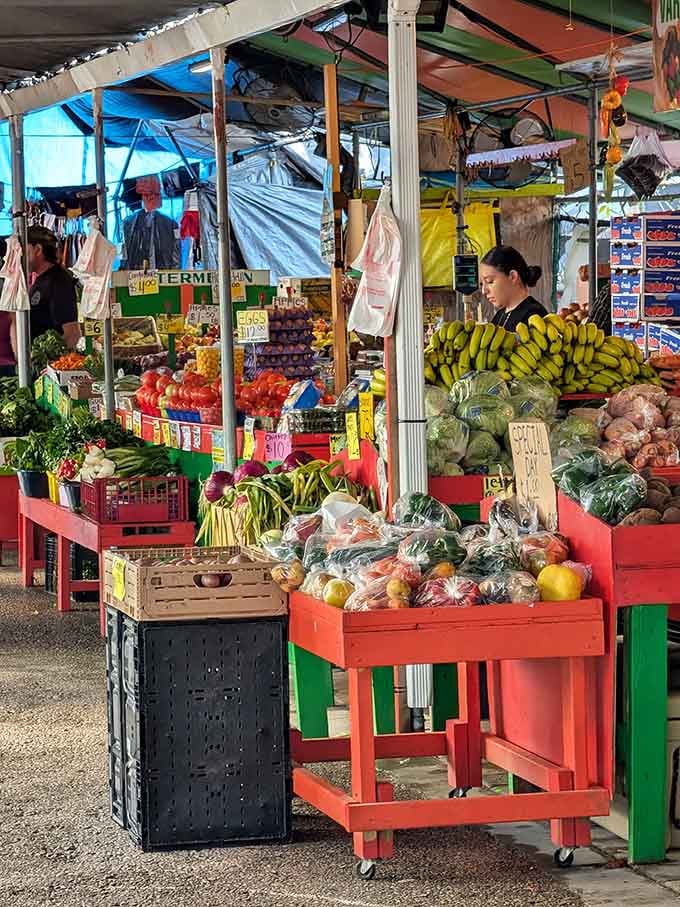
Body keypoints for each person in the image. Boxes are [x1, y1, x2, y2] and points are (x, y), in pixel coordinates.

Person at [25, 225, 80, 349]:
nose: (20, 255)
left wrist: (58, 365)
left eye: (24, 249)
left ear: (38, 250)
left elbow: (71, 332)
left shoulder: (59, 281)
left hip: (49, 364)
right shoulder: (42, 278)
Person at [480, 245, 547, 332]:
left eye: (490, 281)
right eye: (482, 284)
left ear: (512, 276)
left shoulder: (534, 316)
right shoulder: (500, 315)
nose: (484, 291)